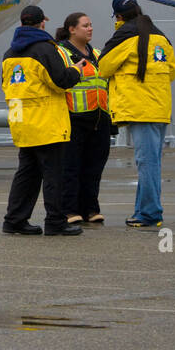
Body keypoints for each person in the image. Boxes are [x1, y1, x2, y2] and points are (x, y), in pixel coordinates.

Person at [1, 5, 94, 236]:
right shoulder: (44, 49)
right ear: (42, 22)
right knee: (54, 174)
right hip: (46, 121)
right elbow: (60, 81)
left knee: (27, 174)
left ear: (22, 24)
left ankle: (14, 220)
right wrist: (76, 70)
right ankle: (55, 221)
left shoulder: (10, 54)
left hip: (20, 120)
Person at [97, 0, 175, 228]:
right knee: (151, 162)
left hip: (140, 108)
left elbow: (103, 67)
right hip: (160, 108)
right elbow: (171, 71)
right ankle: (143, 210)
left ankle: (150, 213)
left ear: (118, 16)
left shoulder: (124, 35)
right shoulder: (161, 36)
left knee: (147, 162)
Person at [55, 12, 111, 225]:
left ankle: (91, 209)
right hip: (74, 118)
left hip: (99, 119)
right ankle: (69, 210)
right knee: (70, 166)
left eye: (91, 25)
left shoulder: (96, 53)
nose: (90, 29)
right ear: (72, 29)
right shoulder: (61, 52)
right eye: (85, 25)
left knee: (94, 167)